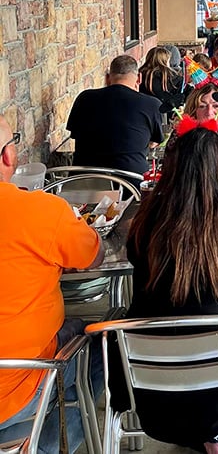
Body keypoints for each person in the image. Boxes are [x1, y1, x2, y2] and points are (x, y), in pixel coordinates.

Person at [115, 122, 218, 454]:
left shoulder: (145, 224)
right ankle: (215, 434)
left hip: (148, 393)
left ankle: (211, 435)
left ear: (171, 172)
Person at [0, 116, 104, 454]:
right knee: (106, 339)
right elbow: (95, 256)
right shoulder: (42, 211)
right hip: (18, 387)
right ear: (7, 156)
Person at [67, 54, 164, 176]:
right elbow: (155, 141)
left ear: (107, 78)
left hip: (84, 182)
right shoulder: (152, 104)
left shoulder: (84, 98)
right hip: (131, 184)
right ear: (139, 78)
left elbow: (75, 134)